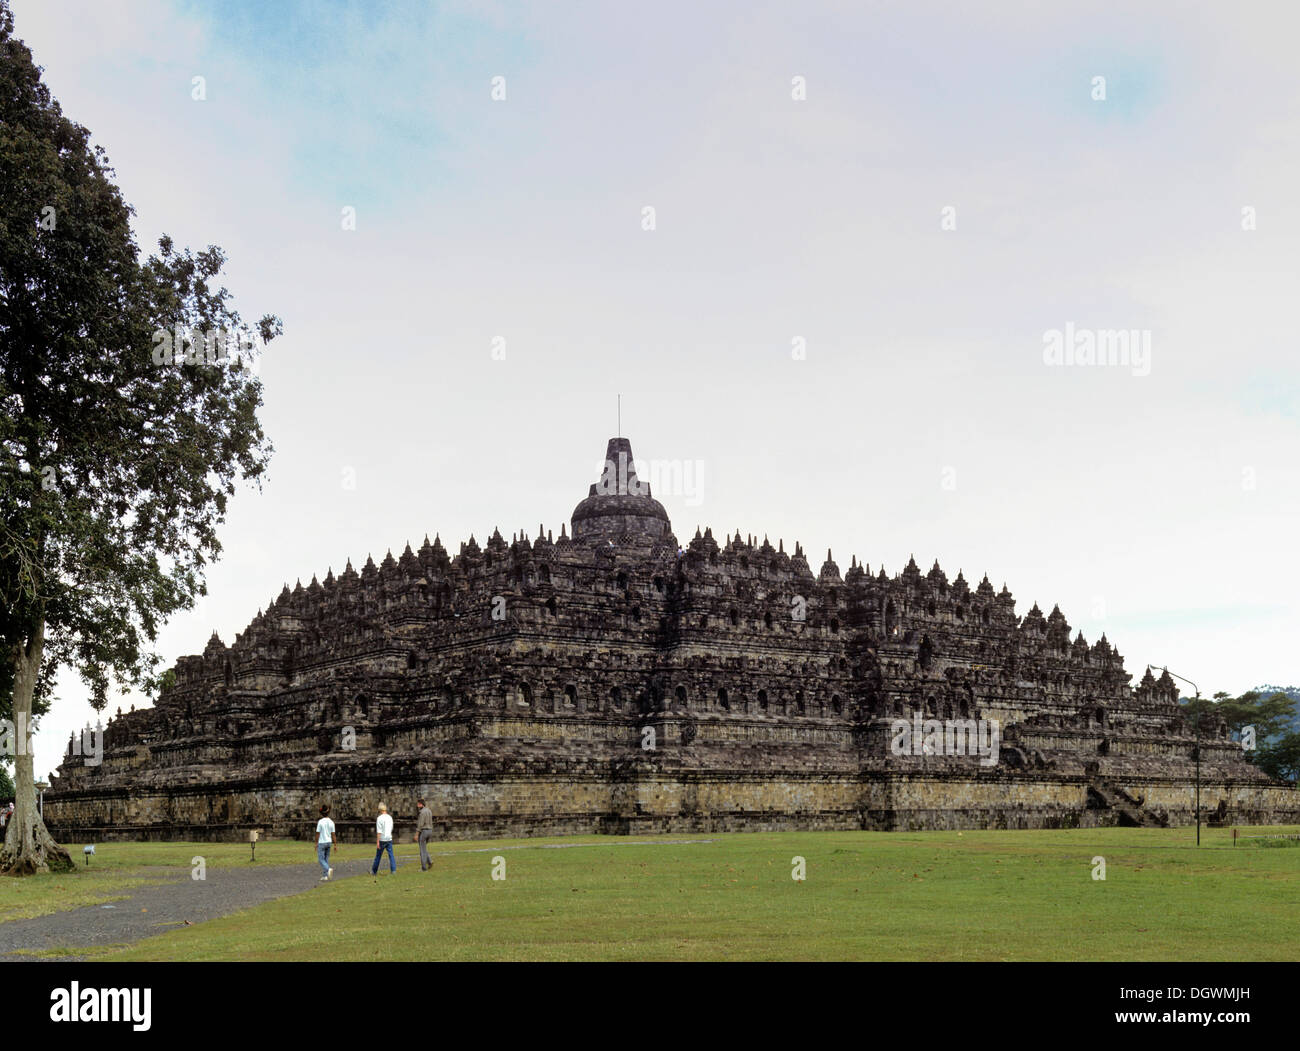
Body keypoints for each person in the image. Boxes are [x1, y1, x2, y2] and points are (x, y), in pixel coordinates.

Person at [371, 803, 395, 879]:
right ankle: (393, 870)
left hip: (382, 839)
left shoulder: (379, 818)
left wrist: (377, 841)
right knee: (391, 855)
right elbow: (391, 828)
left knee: (378, 856)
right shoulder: (390, 818)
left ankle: (374, 871)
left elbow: (379, 831)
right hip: (389, 838)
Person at [315, 804, 336, 881]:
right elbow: (333, 834)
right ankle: (325, 876)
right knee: (326, 859)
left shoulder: (320, 822)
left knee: (321, 859)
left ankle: (328, 869)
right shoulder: (331, 822)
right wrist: (335, 845)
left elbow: (317, 833)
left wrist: (316, 843)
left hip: (322, 842)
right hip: (329, 842)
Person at [416, 798, 434, 871]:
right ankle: (429, 861)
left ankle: (424, 867)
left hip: (424, 831)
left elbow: (420, 824)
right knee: (424, 848)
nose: (417, 805)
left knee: (422, 850)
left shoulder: (422, 812)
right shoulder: (429, 811)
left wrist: (417, 833)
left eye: (418, 804)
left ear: (421, 804)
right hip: (430, 830)